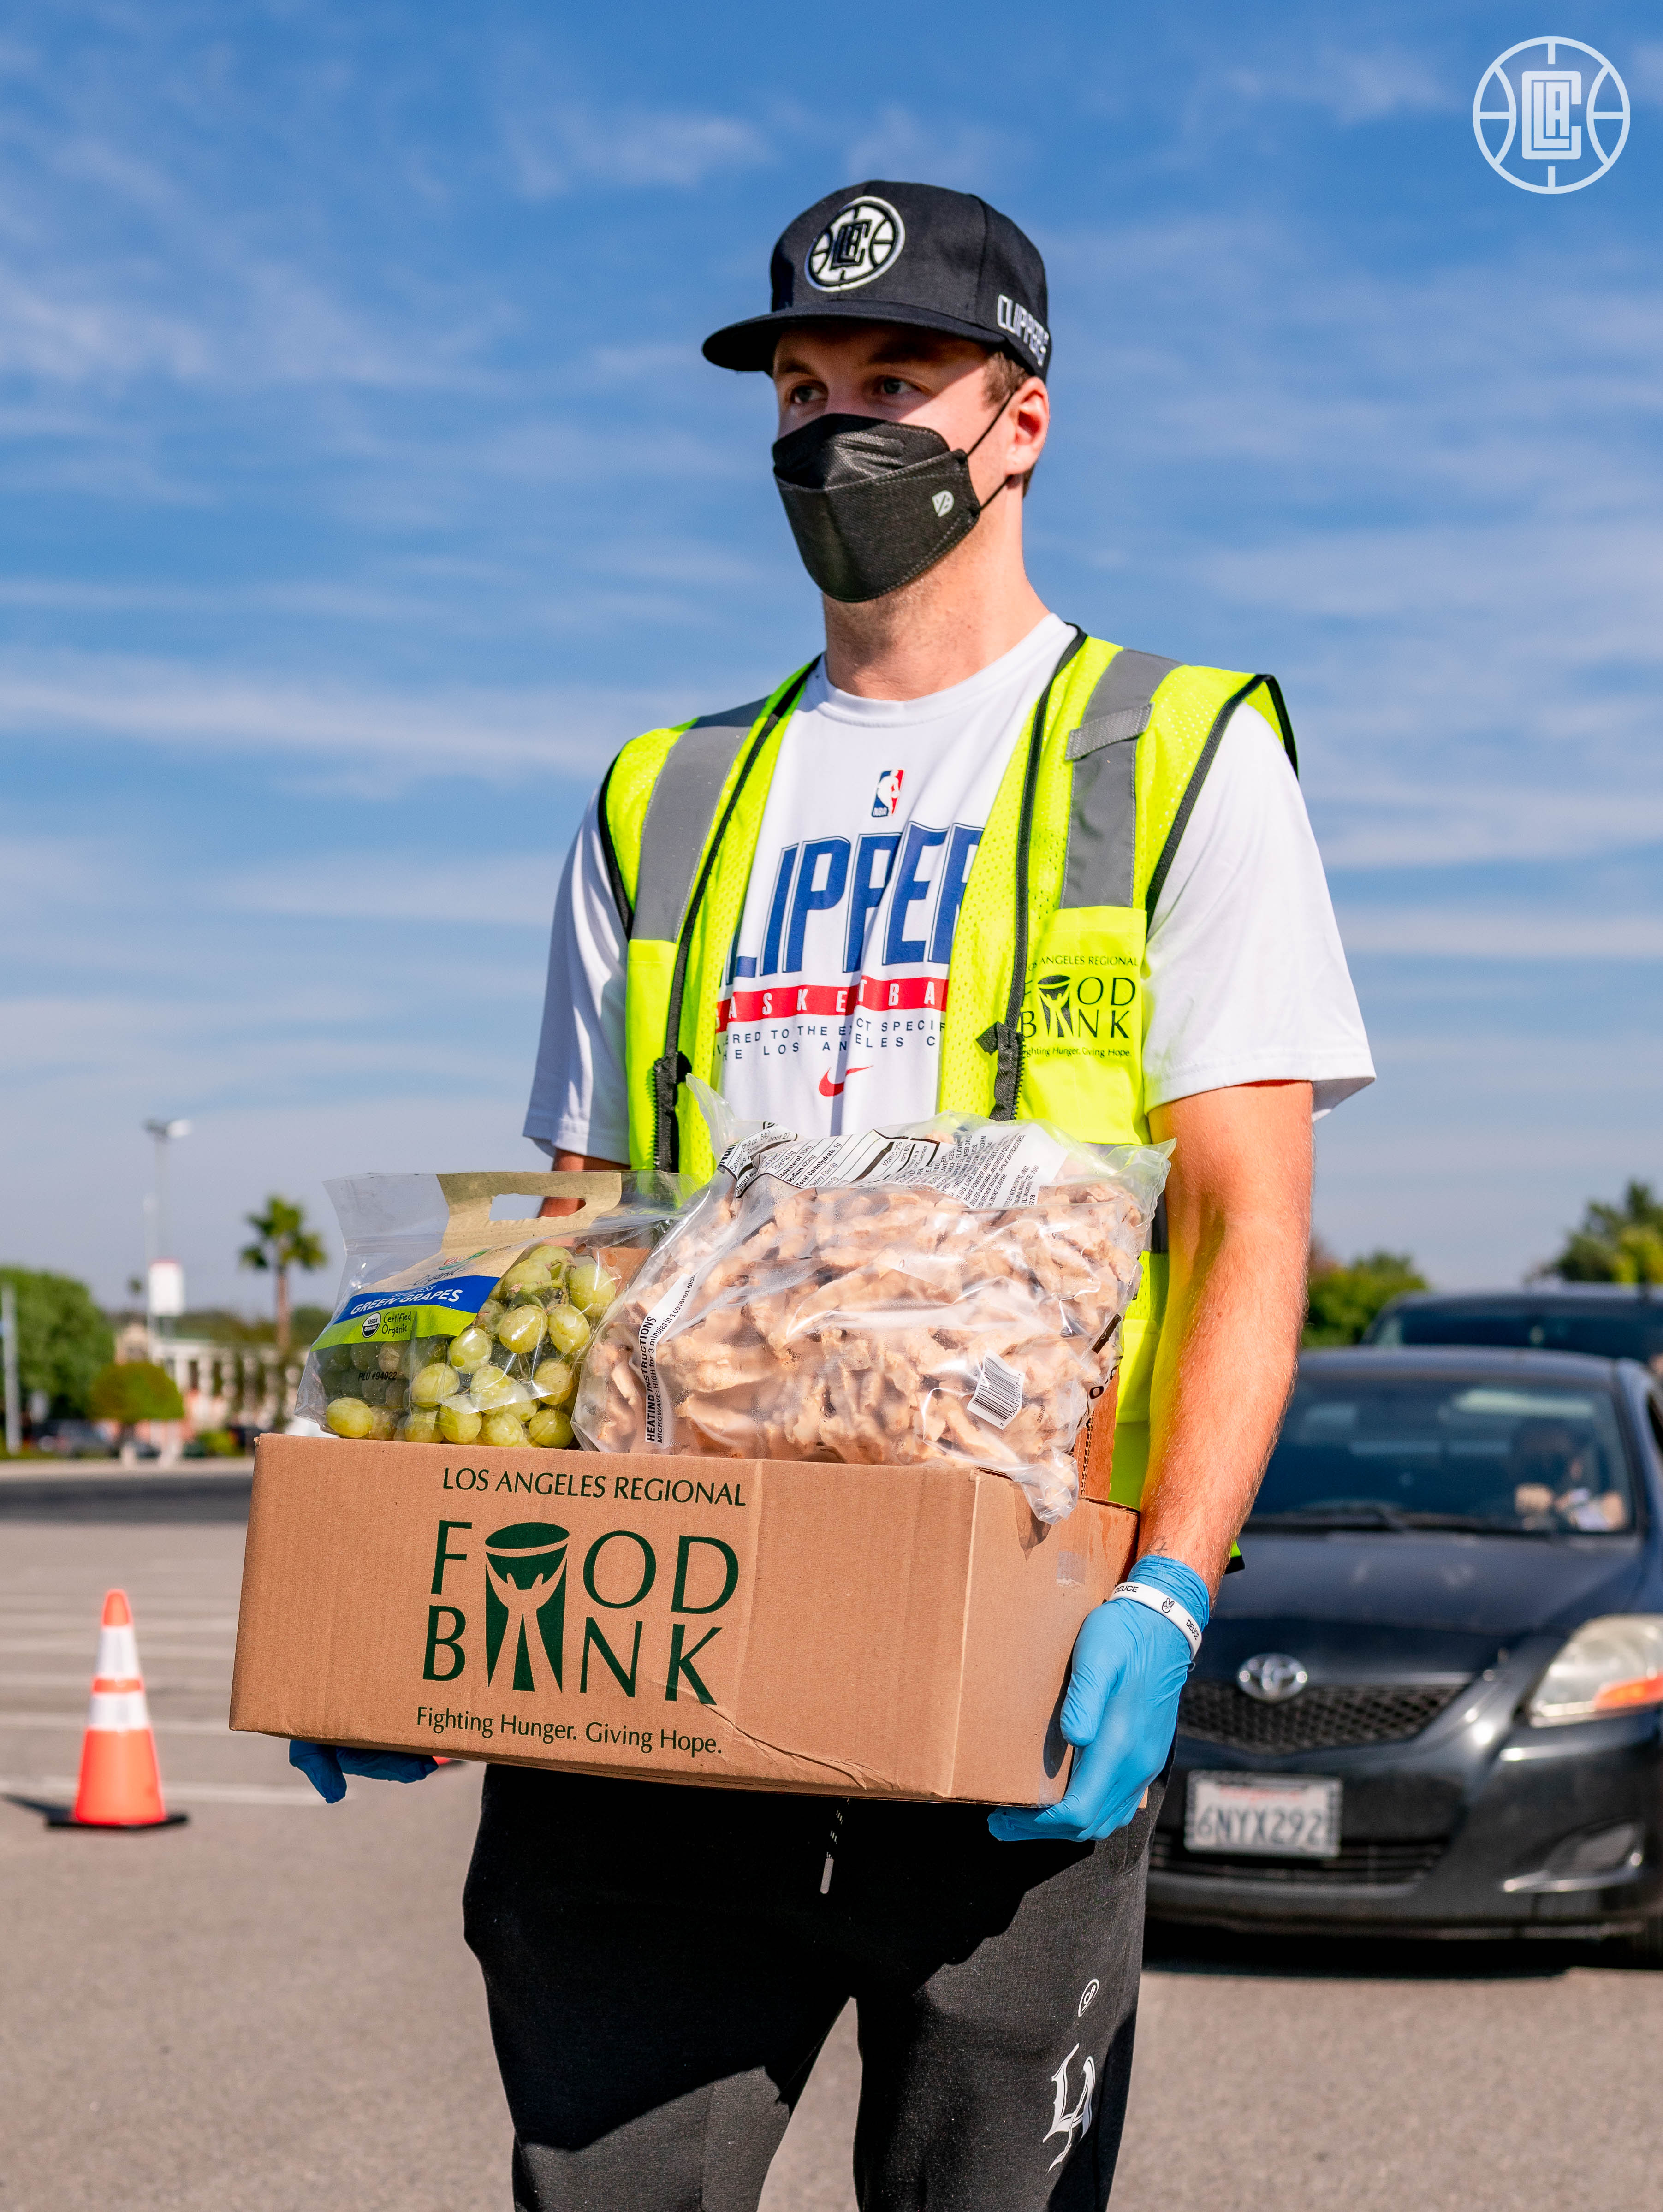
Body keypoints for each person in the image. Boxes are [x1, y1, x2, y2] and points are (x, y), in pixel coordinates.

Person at [297, 180, 1375, 2210]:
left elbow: (1245, 1219)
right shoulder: (664, 791)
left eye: (899, 379)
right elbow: (580, 1237)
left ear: (1022, 419)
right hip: (662, 1675)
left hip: (1011, 1677)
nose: (837, 430)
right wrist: (435, 1591)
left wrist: (1172, 1589)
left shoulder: (1174, 752)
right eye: (801, 388)